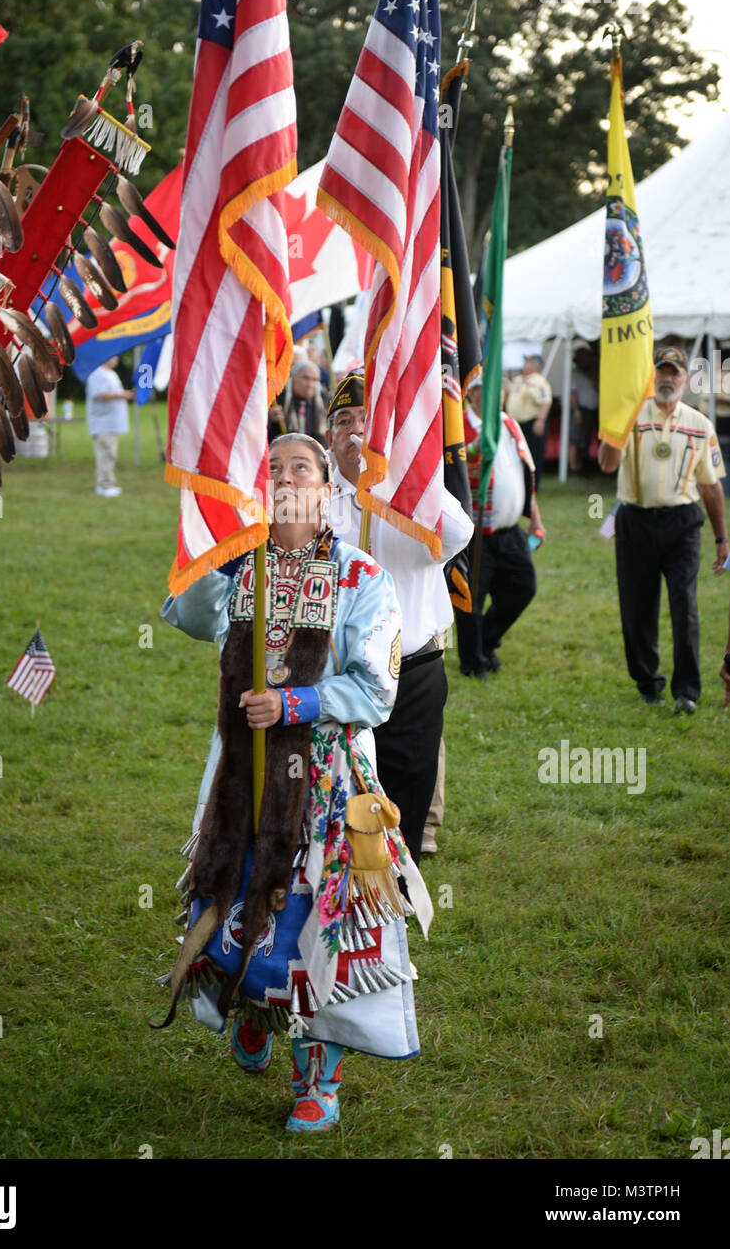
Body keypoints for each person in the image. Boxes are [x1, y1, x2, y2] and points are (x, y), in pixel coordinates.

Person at [156, 433, 432, 1134]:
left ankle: (319, 1079)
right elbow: (185, 614)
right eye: (270, 467)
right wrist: (209, 548)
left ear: (325, 488)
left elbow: (376, 691)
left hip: (327, 785)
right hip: (239, 779)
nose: (283, 476)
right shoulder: (240, 564)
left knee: (318, 925)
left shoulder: (360, 576)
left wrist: (293, 704)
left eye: (298, 467)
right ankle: (253, 1006)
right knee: (237, 896)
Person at [324, 373, 474, 863]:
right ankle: (346, 887)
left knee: (408, 783)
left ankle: (397, 890)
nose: (354, 431)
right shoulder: (315, 491)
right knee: (342, 785)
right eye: (343, 420)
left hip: (412, 667)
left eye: (365, 420)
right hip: (339, 675)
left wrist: (393, 485)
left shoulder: (414, 485)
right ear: (329, 434)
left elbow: (458, 533)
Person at [598, 344, 728, 712]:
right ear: (651, 376)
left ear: (685, 380)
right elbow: (606, 465)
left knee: (684, 604)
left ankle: (686, 691)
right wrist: (613, 427)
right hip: (635, 520)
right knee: (637, 604)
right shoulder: (631, 416)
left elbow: (711, 485)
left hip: (682, 524)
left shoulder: (700, 424)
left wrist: (722, 539)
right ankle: (647, 683)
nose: (667, 379)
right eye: (662, 372)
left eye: (674, 373)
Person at [455, 378, 545, 679]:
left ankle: (487, 640)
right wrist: (473, 448)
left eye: (496, 390)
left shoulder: (509, 424)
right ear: (472, 395)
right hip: (475, 532)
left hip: (510, 530)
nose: (491, 395)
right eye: (483, 390)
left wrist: (534, 516)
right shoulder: (459, 426)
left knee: (523, 586)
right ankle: (472, 662)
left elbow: (524, 470)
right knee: (472, 598)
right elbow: (450, 468)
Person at [85, 355, 134, 497]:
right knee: (105, 454)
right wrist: (123, 395)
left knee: (110, 454)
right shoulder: (97, 373)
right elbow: (99, 394)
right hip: (103, 423)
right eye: (113, 356)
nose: (116, 358)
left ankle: (108, 482)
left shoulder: (111, 374)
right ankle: (104, 485)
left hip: (113, 423)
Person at [505, 353, 553, 488]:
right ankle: (519, 484)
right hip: (516, 424)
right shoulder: (519, 379)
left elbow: (546, 401)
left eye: (528, 362)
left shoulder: (539, 381)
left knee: (532, 454)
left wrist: (540, 420)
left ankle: (532, 485)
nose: (524, 365)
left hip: (531, 422)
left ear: (535, 366)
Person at [269, 361, 328, 445]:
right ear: (293, 379)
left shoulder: (325, 401)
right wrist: (270, 418)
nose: (310, 384)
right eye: (305, 378)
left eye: (314, 380)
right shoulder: (278, 399)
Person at [569, 346, 599, 474]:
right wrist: (576, 411)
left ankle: (582, 464)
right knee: (576, 439)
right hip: (581, 410)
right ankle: (574, 467)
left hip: (592, 409)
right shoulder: (575, 373)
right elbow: (573, 394)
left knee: (585, 439)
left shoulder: (591, 372)